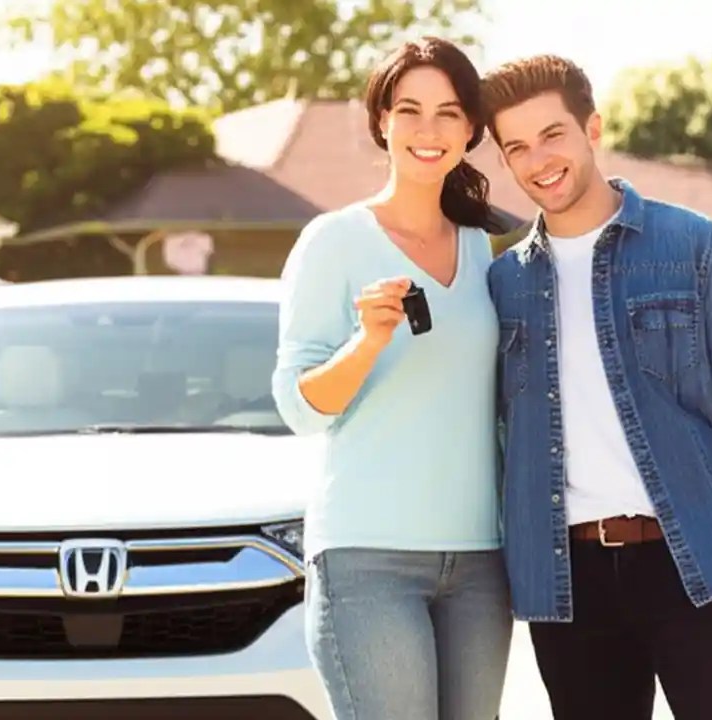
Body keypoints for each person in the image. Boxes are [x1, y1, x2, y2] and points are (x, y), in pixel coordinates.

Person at [479, 54, 712, 720]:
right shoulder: (502, 285)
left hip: (697, 563)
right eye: (517, 147)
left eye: (552, 134)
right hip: (569, 581)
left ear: (592, 130)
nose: (539, 159)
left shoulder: (696, 246)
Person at [271, 36, 512, 720]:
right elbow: (298, 405)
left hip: (478, 562)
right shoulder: (334, 241)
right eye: (409, 110)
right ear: (381, 121)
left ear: (471, 130)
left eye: (448, 113)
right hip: (368, 559)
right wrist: (368, 339)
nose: (428, 131)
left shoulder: (484, 247)